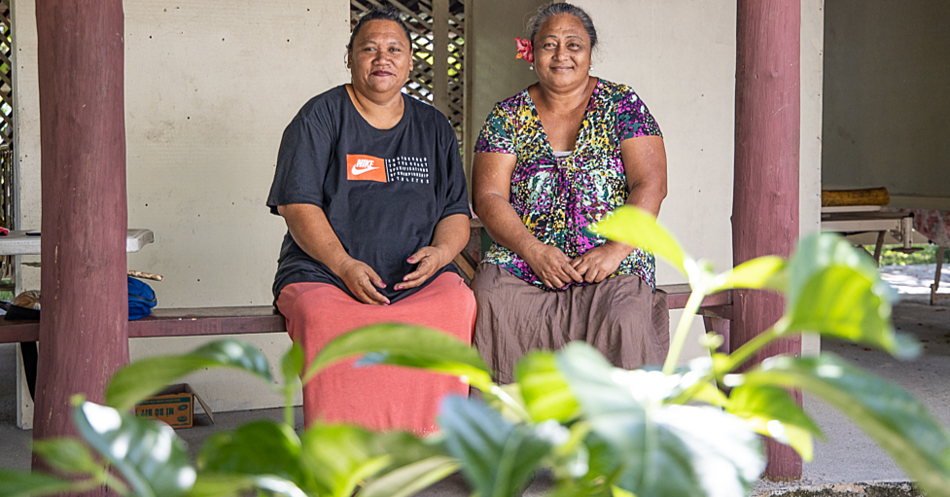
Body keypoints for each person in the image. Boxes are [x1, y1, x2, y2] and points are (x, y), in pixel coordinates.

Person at [266, 6, 475, 433]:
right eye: (370, 49)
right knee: (325, 317)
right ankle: (342, 454)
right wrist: (343, 265)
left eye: (394, 49)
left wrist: (440, 255)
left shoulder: (433, 126)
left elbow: (455, 212)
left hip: (415, 278)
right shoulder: (319, 117)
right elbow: (297, 206)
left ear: (410, 61)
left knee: (457, 303)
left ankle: (425, 445)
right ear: (350, 57)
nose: (383, 59)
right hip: (327, 275)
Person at [471, 2, 669, 384]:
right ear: (532, 53)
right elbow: (489, 197)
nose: (561, 55)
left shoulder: (622, 105)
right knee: (492, 297)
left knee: (623, 317)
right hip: (525, 259)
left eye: (573, 45)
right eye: (549, 45)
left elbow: (651, 185)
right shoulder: (507, 115)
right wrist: (534, 251)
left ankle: (616, 433)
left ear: (590, 54)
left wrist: (614, 250)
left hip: (615, 260)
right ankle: (514, 431)